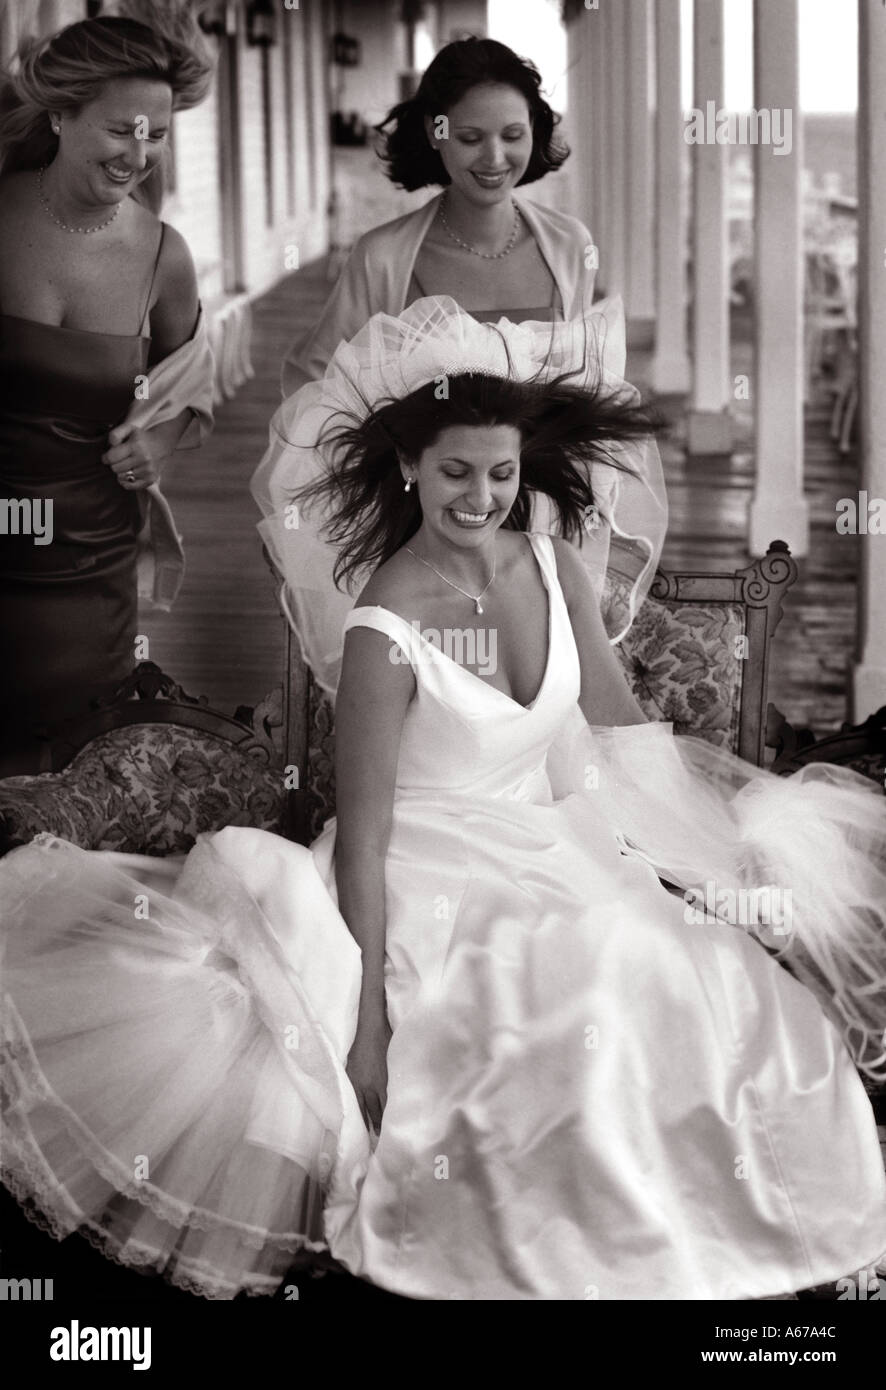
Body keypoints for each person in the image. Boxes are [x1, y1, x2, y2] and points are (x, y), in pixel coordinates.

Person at [2, 298, 886, 1302]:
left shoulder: (553, 566)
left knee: (705, 975)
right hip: (425, 873)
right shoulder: (387, 618)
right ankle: (564, 1243)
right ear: (410, 468)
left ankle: (701, 1230)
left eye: (501, 473)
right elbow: (369, 834)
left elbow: (623, 730)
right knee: (577, 983)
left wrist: (728, 828)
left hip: (555, 844)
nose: (480, 495)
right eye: (456, 471)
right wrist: (369, 1019)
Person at [0, 15, 215, 765]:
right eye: (123, 130)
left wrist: (159, 439)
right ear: (60, 114)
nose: (141, 155)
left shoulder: (163, 254)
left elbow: (191, 388)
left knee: (76, 769)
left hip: (92, 562)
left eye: (157, 134)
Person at [281, 37, 597, 395]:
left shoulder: (571, 245)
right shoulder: (381, 258)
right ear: (437, 131)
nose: (494, 158)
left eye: (512, 135)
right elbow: (314, 382)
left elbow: (585, 384)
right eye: (470, 138)